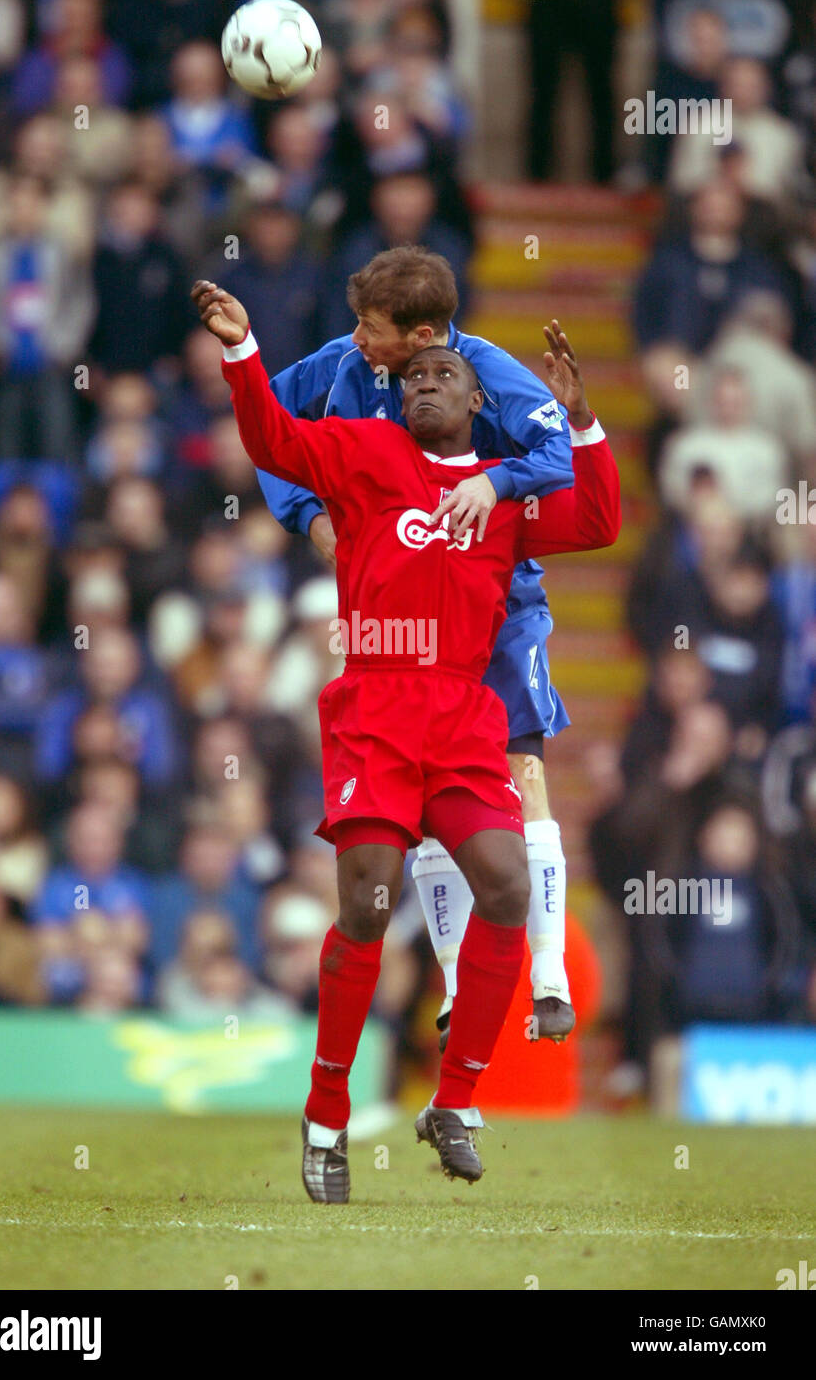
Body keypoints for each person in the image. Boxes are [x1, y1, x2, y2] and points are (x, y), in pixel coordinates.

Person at [192, 279, 620, 1201]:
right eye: (414, 375)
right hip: (378, 710)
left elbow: (595, 519)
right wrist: (242, 352)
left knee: (505, 887)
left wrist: (581, 424)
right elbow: (274, 439)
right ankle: (326, 1114)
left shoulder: (499, 498)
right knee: (369, 904)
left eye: (442, 374)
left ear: (477, 403)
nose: (422, 385)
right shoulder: (362, 450)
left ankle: (455, 1100)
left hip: (466, 717)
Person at [239, 245, 594, 1048]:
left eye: (370, 328)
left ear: (424, 333)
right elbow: (267, 425)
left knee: (523, 772)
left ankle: (548, 976)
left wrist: (495, 482)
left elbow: (562, 461)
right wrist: (307, 513)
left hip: (493, 602)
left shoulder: (491, 374)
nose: (358, 340)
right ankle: (457, 979)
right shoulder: (346, 361)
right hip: (395, 617)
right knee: (428, 811)